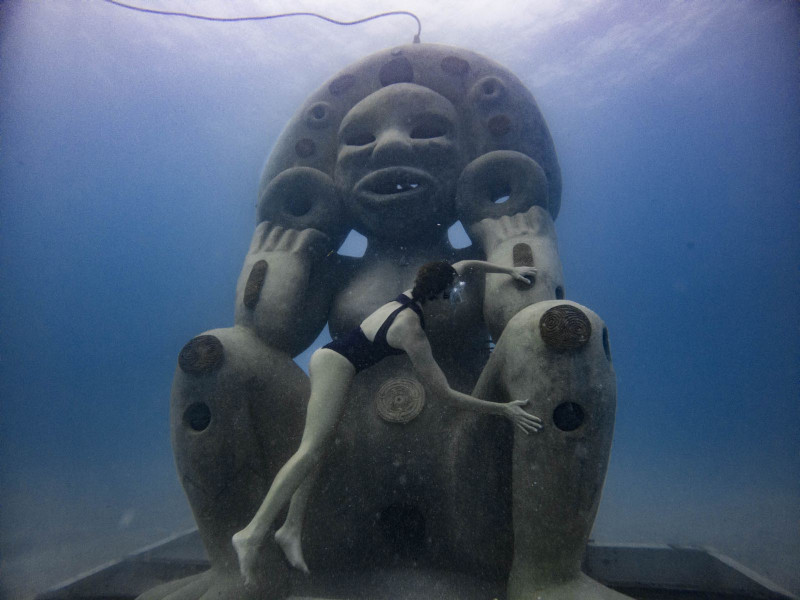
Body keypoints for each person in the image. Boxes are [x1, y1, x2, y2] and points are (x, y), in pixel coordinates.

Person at [232, 260, 543, 584]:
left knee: (317, 450)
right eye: (453, 291)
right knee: (308, 451)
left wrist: (510, 272)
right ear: (440, 293)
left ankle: (290, 529)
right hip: (335, 366)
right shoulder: (411, 331)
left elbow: (465, 265)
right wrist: (503, 409)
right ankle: (252, 533)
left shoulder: (413, 293)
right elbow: (447, 394)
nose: (457, 294)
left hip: (336, 361)